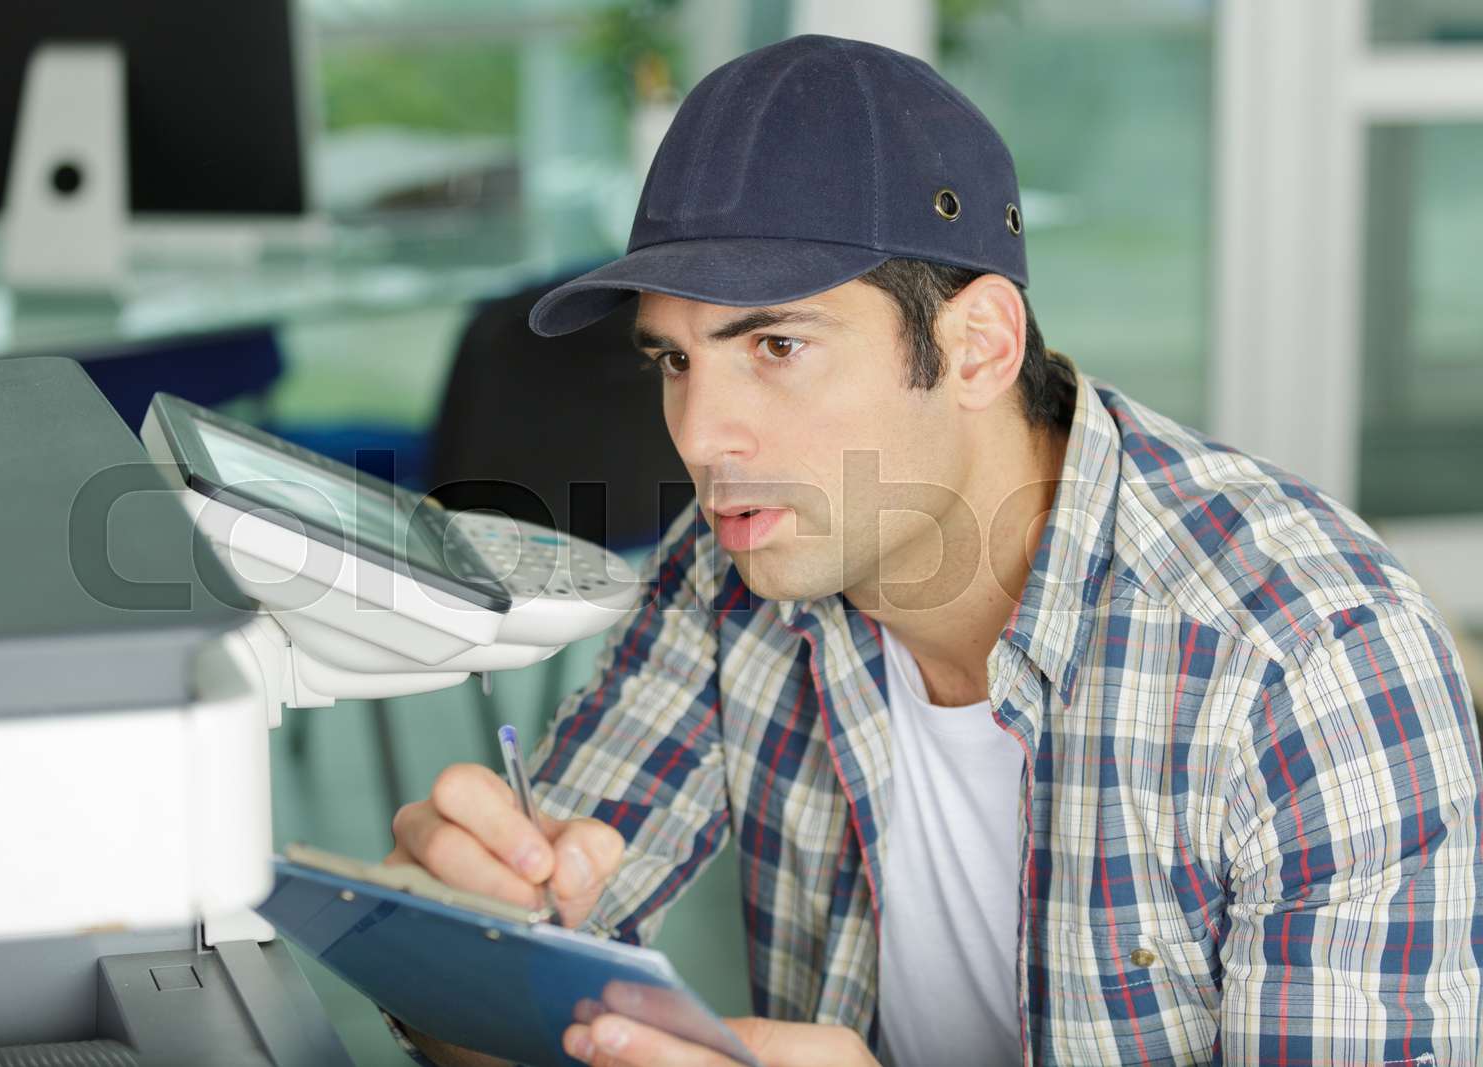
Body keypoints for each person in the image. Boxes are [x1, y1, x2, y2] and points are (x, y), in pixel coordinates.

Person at [384, 34, 1483, 1066]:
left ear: (977, 347)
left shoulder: (1309, 657)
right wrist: (448, 941)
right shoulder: (735, 566)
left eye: (774, 344)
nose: (700, 435)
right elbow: (502, 1001)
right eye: (671, 360)